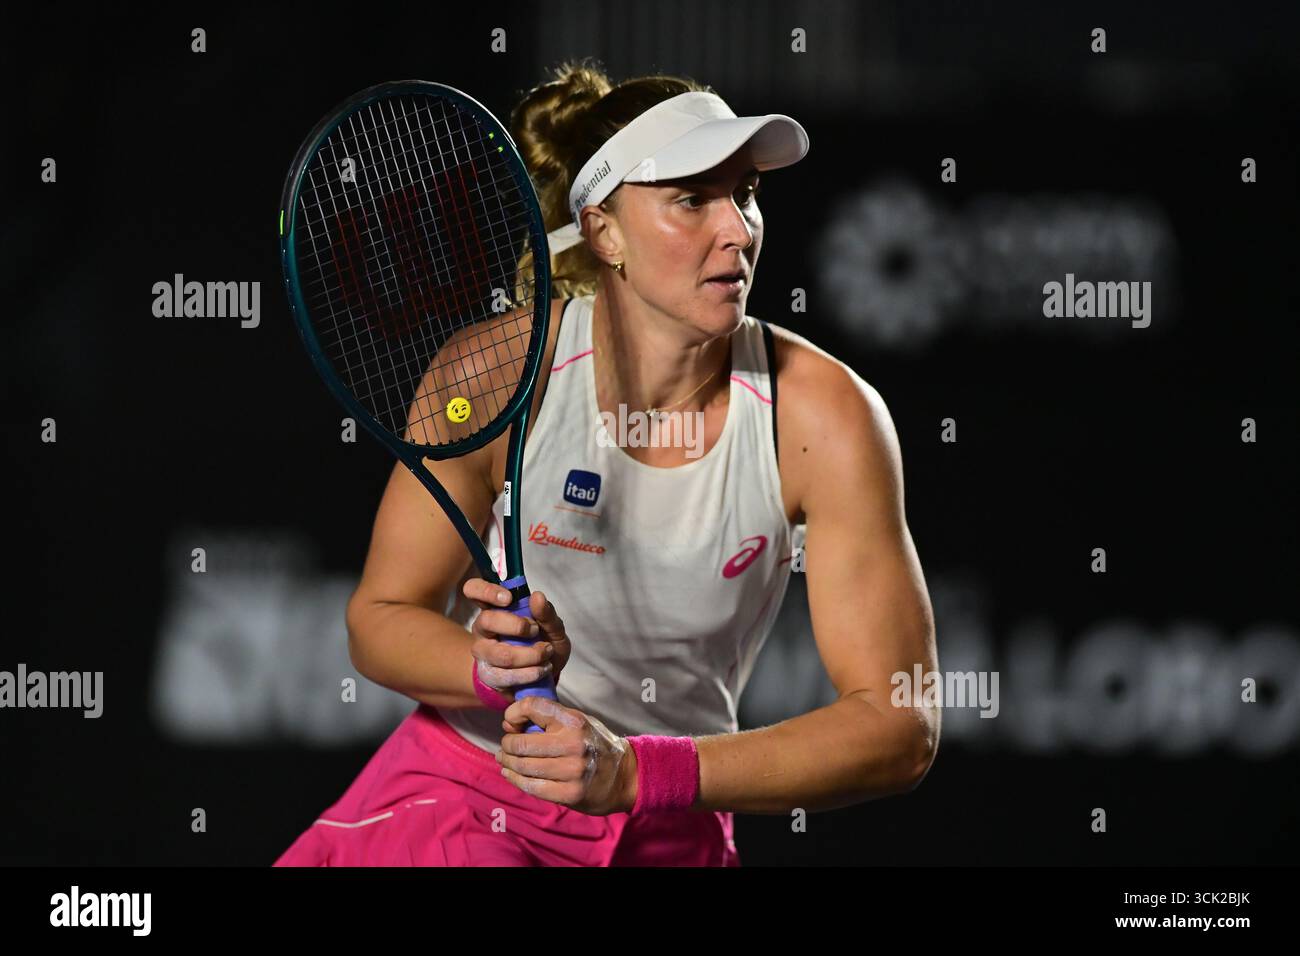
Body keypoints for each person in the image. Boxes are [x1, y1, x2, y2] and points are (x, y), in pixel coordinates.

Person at [274, 59, 939, 867]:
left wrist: (637, 772)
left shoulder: (826, 420)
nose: (738, 229)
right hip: (467, 798)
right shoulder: (493, 374)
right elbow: (378, 619)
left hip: (668, 823)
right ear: (604, 232)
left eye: (746, 194)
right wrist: (487, 668)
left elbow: (899, 725)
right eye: (692, 198)